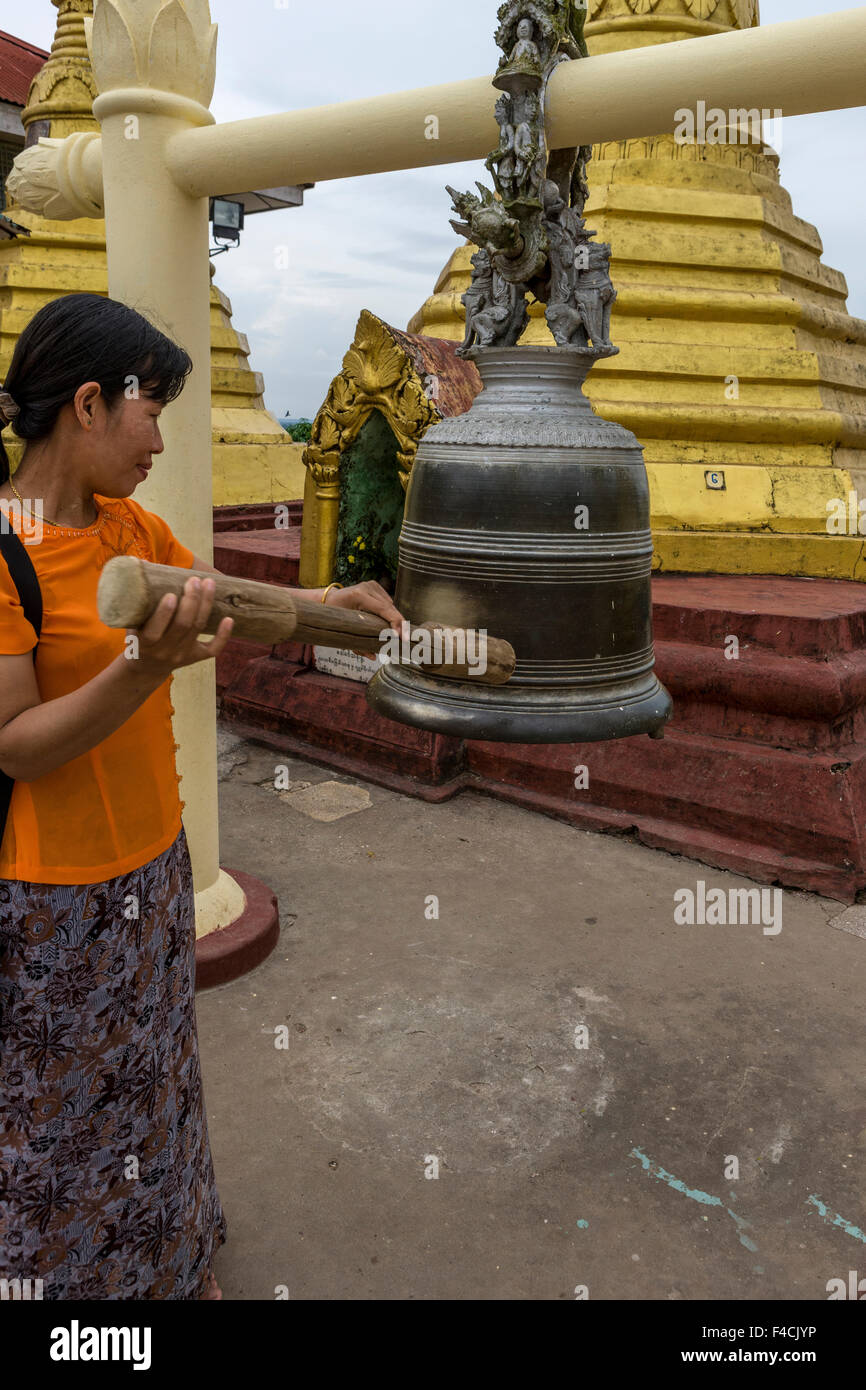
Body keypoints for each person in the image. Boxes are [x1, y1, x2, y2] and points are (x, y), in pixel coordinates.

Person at [0, 292, 403, 1300]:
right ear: (88, 405)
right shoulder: (6, 550)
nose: (158, 439)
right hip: (59, 897)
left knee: (160, 1085)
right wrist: (141, 668)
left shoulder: (131, 524)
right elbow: (13, 746)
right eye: (151, 411)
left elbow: (224, 600)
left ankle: (171, 1262)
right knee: (67, 1118)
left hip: (153, 862)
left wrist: (328, 603)